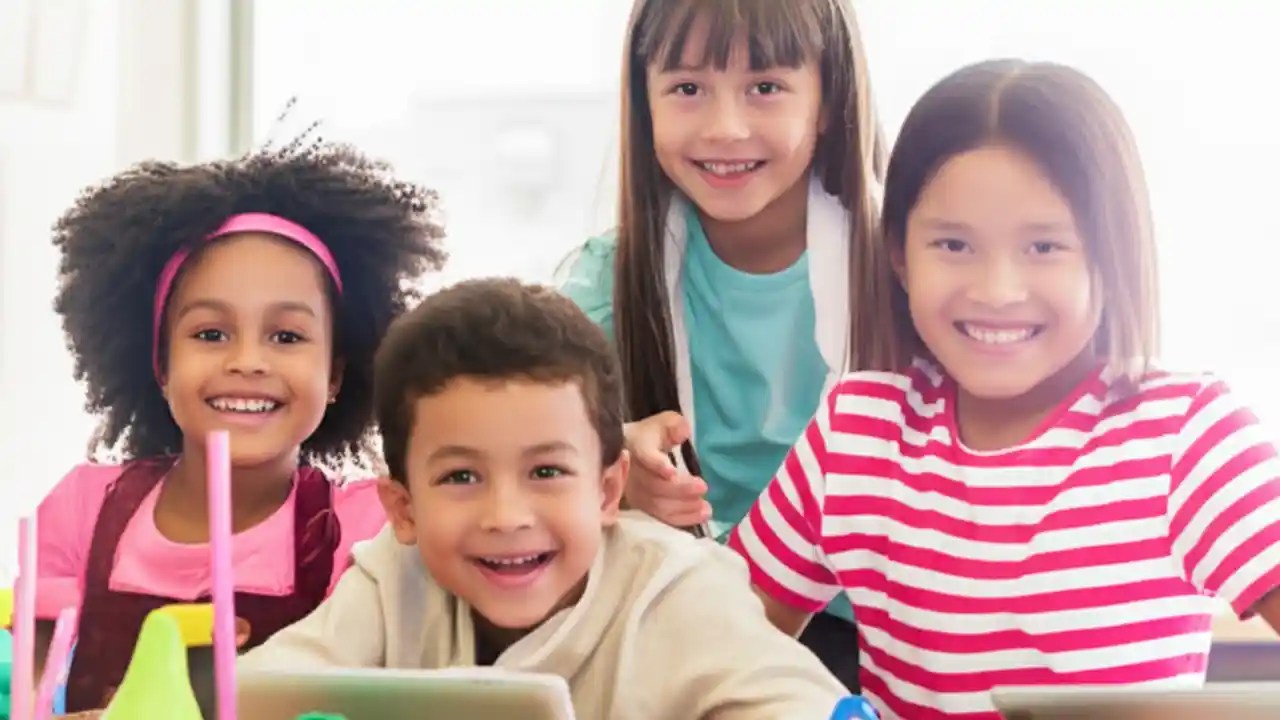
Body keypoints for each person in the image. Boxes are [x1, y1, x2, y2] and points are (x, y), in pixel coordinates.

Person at [729, 59, 1280, 719]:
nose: (996, 291)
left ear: (1112, 253)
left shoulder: (1186, 434)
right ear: (900, 254)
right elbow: (722, 652)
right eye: (954, 245)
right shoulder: (855, 434)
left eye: (1045, 247)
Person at [240, 278, 852, 720]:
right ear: (403, 509)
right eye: (461, 478)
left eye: (547, 471)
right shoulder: (390, 580)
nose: (507, 517)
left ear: (608, 489)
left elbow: (800, 704)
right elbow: (256, 695)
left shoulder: (678, 592)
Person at [36, 136, 446, 712]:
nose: (248, 360)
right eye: (210, 334)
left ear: (335, 375)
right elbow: (32, 675)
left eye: (287, 336)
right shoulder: (85, 508)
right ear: (159, 363)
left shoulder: (363, 531)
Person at [558, 0, 883, 686]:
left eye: (765, 87)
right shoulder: (606, 282)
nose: (725, 127)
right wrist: (613, 466)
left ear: (828, 101)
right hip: (687, 628)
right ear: (644, 106)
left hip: (878, 637)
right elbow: (532, 455)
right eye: (687, 89)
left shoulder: (906, 272)